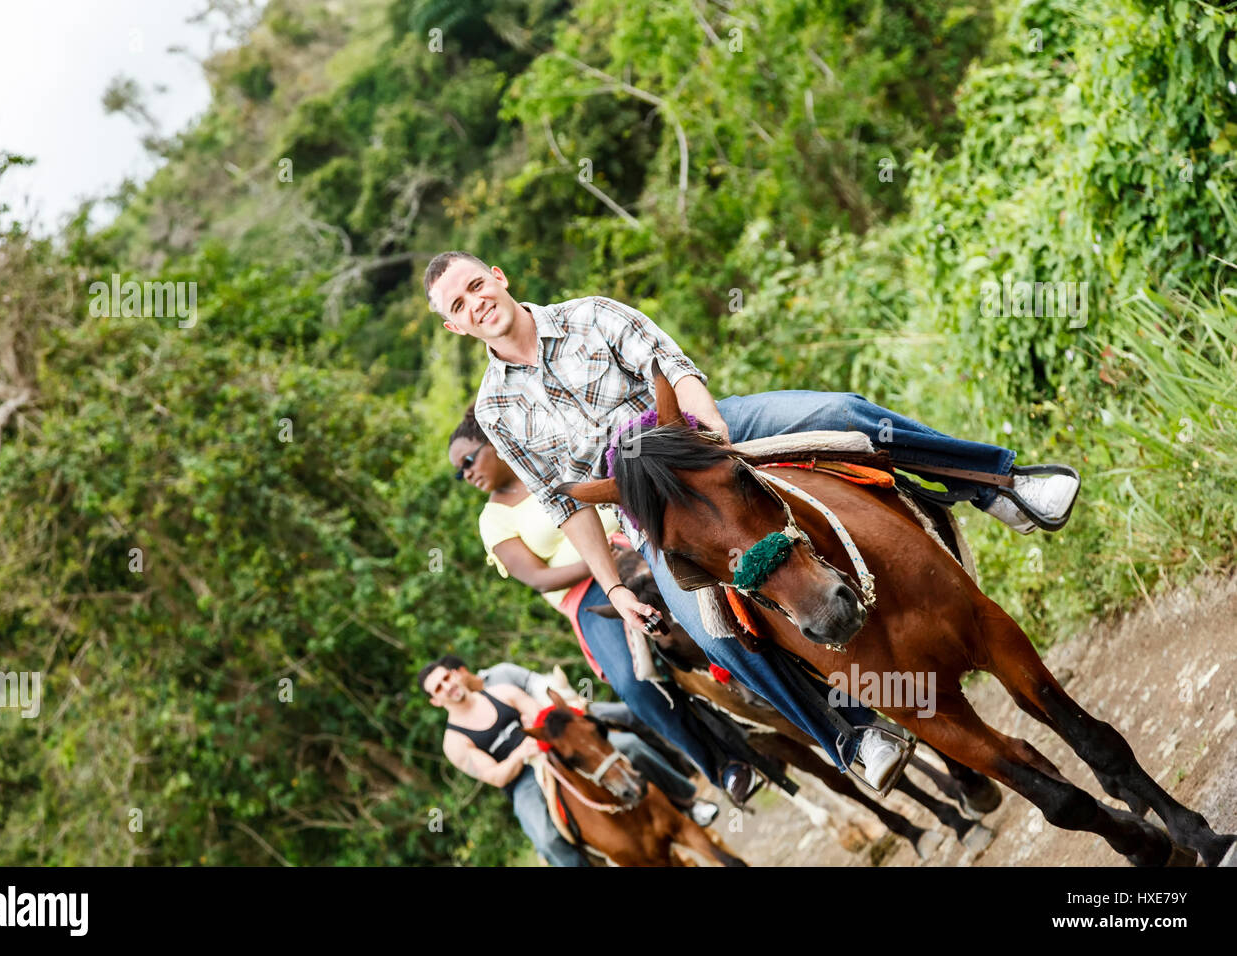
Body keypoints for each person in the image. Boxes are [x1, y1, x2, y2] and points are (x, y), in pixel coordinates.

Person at [423, 250, 1083, 790]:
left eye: (476, 285)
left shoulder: (590, 315)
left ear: (499, 277)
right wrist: (617, 589)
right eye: (458, 305)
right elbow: (567, 504)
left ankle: (997, 483)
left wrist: (712, 430)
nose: (475, 302)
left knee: (849, 414)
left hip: (700, 435)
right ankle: (848, 735)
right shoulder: (498, 412)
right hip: (649, 509)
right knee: (711, 635)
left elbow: (674, 369)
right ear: (455, 327)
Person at [447, 404, 756, 801]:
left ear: (493, 442)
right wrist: (598, 562)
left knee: (726, 566)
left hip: (638, 542)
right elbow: (539, 579)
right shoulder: (492, 520)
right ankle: (722, 765)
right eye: (460, 472)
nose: (466, 474)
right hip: (587, 592)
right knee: (631, 682)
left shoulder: (550, 456)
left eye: (468, 461)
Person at [418, 654, 718, 868]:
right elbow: (496, 776)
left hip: (552, 750)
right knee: (546, 837)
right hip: (521, 781)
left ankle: (688, 800)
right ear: (435, 700)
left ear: (456, 673)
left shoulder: (501, 691)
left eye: (446, 678)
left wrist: (541, 737)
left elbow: (539, 715)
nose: (447, 686)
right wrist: (522, 751)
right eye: (438, 688)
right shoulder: (454, 742)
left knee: (629, 746)